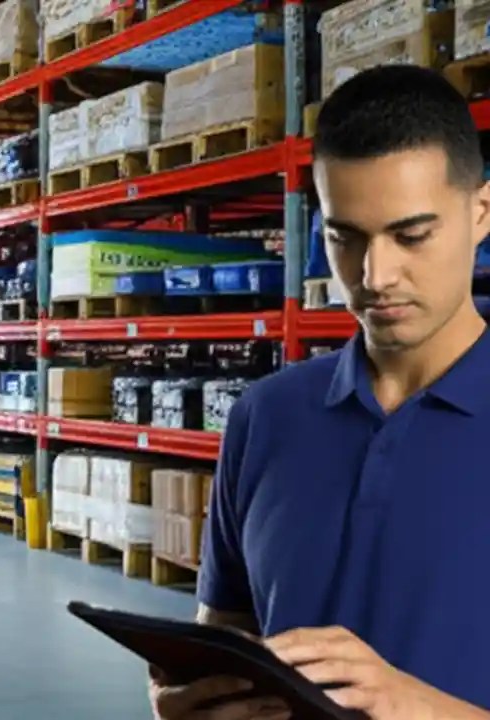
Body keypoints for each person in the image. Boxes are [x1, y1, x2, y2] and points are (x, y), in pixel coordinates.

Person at [149, 64, 490, 719]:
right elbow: (227, 625)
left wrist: (417, 707)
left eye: (411, 235)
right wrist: (190, 695)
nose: (374, 274)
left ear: (480, 213)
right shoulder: (266, 416)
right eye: (345, 237)